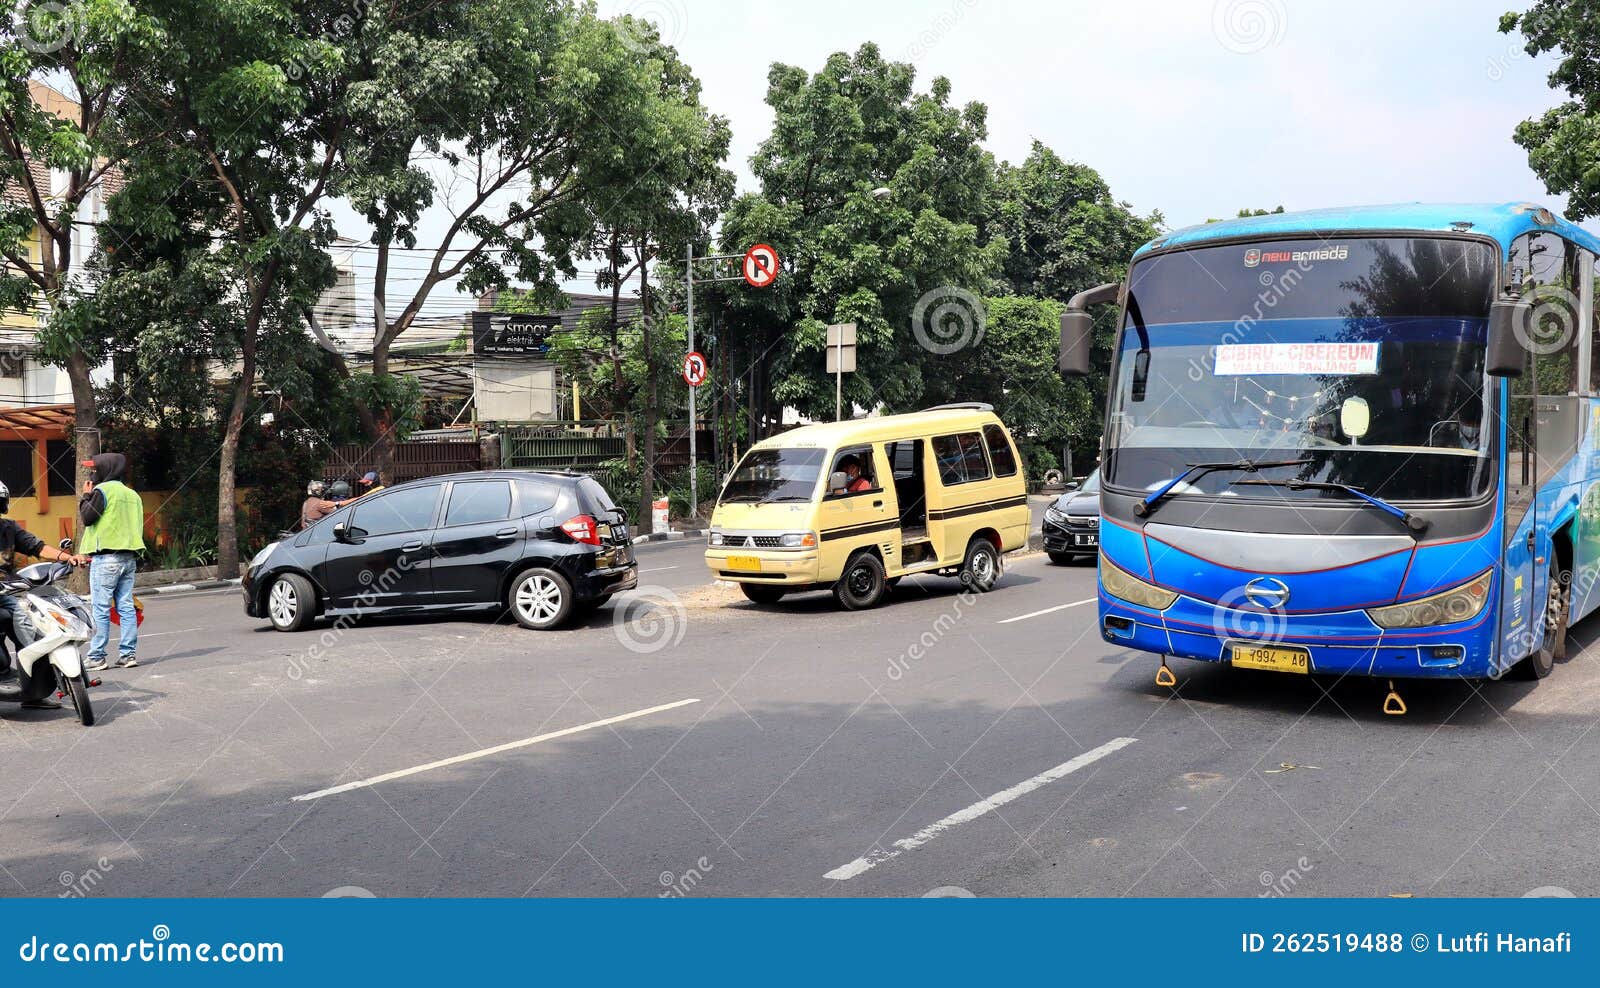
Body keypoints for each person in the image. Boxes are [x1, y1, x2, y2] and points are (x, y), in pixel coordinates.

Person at [0, 481, 87, 701]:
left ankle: (33, 686)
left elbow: (37, 547)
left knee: (30, 622)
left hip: (7, 593)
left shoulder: (8, 529)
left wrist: (68, 557)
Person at [79, 452, 145, 671]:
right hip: (128, 558)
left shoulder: (101, 491)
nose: (92, 474)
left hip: (106, 559)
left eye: (95, 470)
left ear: (107, 469)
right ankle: (128, 655)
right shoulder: (132, 494)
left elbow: (88, 518)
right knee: (126, 606)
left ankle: (97, 656)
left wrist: (86, 496)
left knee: (100, 608)